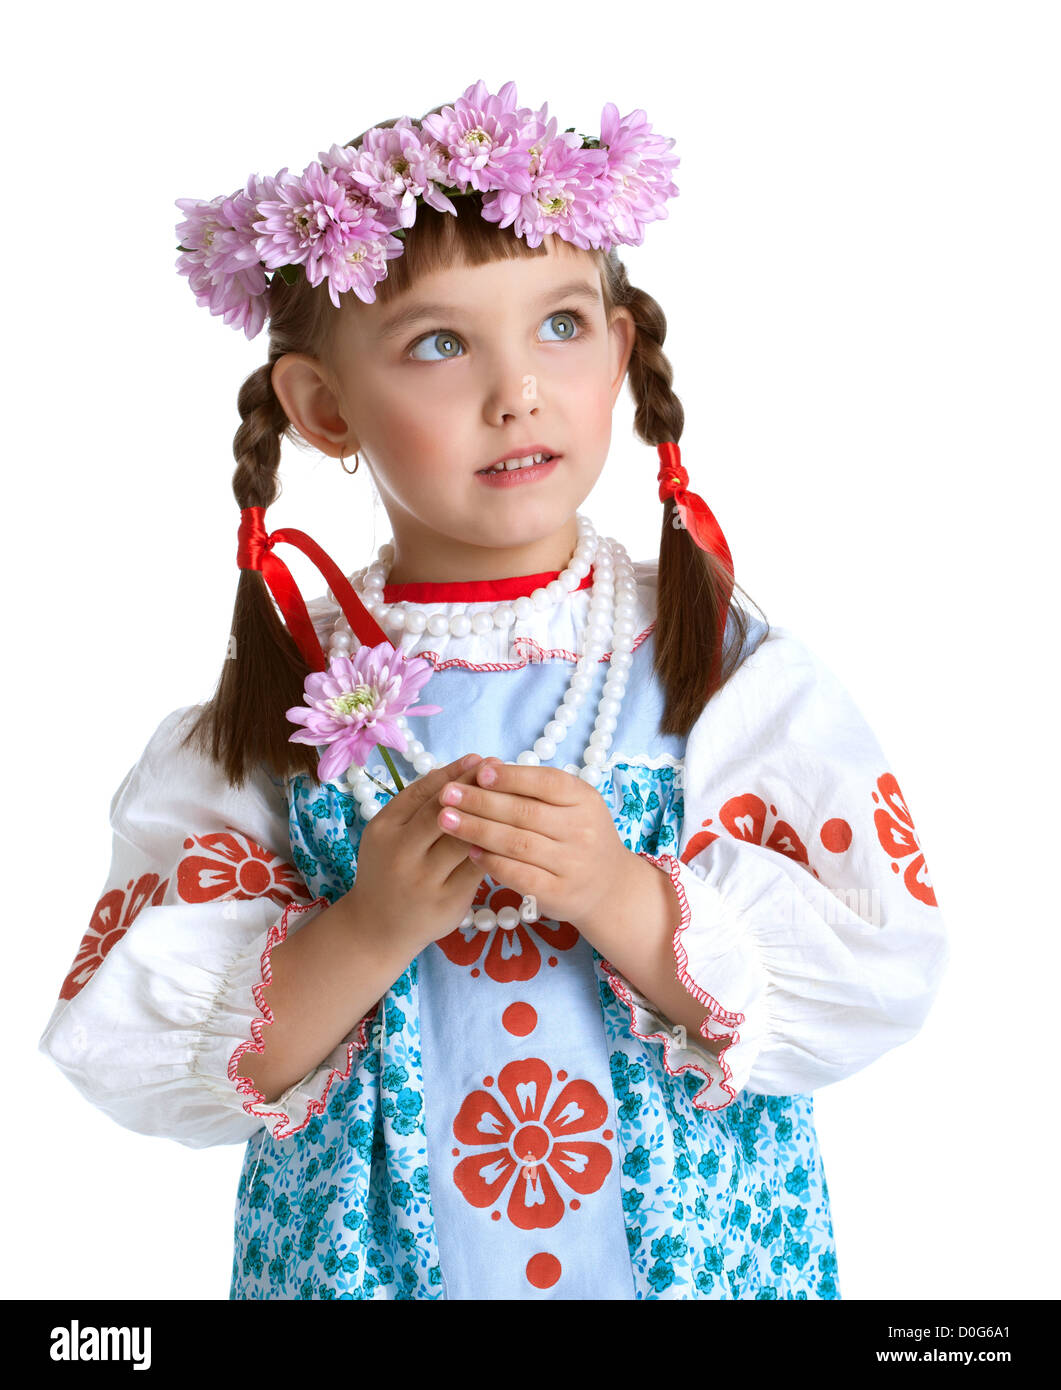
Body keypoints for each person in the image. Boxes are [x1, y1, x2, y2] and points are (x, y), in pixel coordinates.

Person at [39, 78, 948, 1300]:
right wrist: (366, 928)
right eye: (437, 343)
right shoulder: (285, 703)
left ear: (621, 351)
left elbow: (870, 966)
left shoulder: (714, 670)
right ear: (322, 407)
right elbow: (146, 1050)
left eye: (561, 326)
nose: (515, 388)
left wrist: (620, 894)